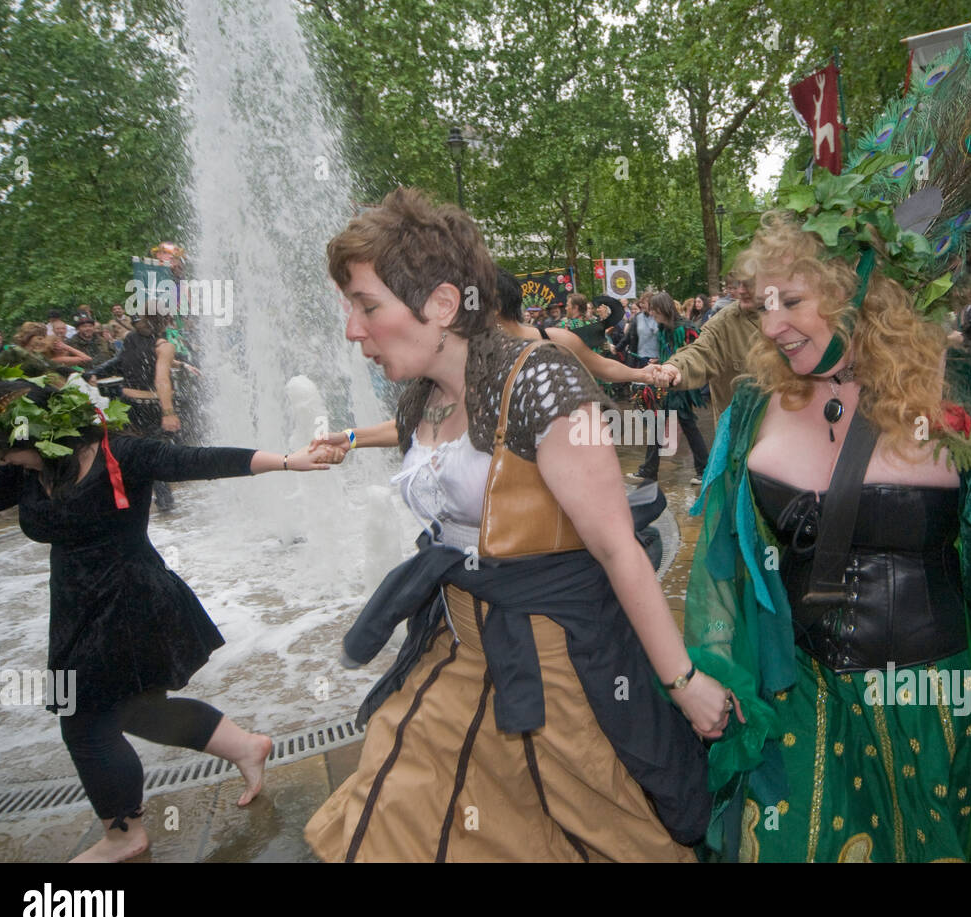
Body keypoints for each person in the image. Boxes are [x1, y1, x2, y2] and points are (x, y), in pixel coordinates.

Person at [682, 212, 971, 862]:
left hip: (943, 706)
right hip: (804, 702)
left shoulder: (969, 405)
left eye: (790, 300)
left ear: (858, 293)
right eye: (762, 304)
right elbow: (725, 561)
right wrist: (705, 671)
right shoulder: (749, 411)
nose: (769, 325)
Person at [302, 187, 725, 862]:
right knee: (394, 820)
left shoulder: (544, 382)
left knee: (601, 836)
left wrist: (683, 682)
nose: (352, 329)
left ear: (442, 305)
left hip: (557, 670)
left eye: (367, 305)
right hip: (452, 648)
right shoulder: (424, 392)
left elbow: (618, 547)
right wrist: (347, 438)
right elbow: (415, 439)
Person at [0, 369, 338, 862]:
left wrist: (289, 460)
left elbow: (194, 460)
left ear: (38, 432)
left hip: (131, 603)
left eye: (4, 448)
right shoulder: (28, 471)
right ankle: (246, 747)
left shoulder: (118, 452)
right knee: (139, 709)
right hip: (76, 607)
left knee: (82, 720)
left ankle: (125, 836)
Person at [89, 304, 183, 510]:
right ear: (163, 321)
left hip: (127, 403)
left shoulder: (130, 339)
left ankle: (128, 502)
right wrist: (168, 412)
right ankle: (165, 503)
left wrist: (94, 373)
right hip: (151, 406)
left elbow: (122, 360)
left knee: (132, 452)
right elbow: (161, 379)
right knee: (154, 453)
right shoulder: (164, 346)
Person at [654, 270, 761, 419]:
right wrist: (675, 367)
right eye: (737, 285)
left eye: (749, 284)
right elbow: (701, 351)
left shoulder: (794, 316)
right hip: (742, 431)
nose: (740, 290)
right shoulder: (724, 322)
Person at [631, 291, 709, 484]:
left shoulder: (684, 328)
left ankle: (702, 469)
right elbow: (670, 353)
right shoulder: (663, 328)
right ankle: (651, 470)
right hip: (668, 384)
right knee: (672, 424)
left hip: (681, 386)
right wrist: (660, 361)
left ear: (661, 309)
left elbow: (694, 355)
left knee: (683, 424)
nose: (651, 314)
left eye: (653, 310)